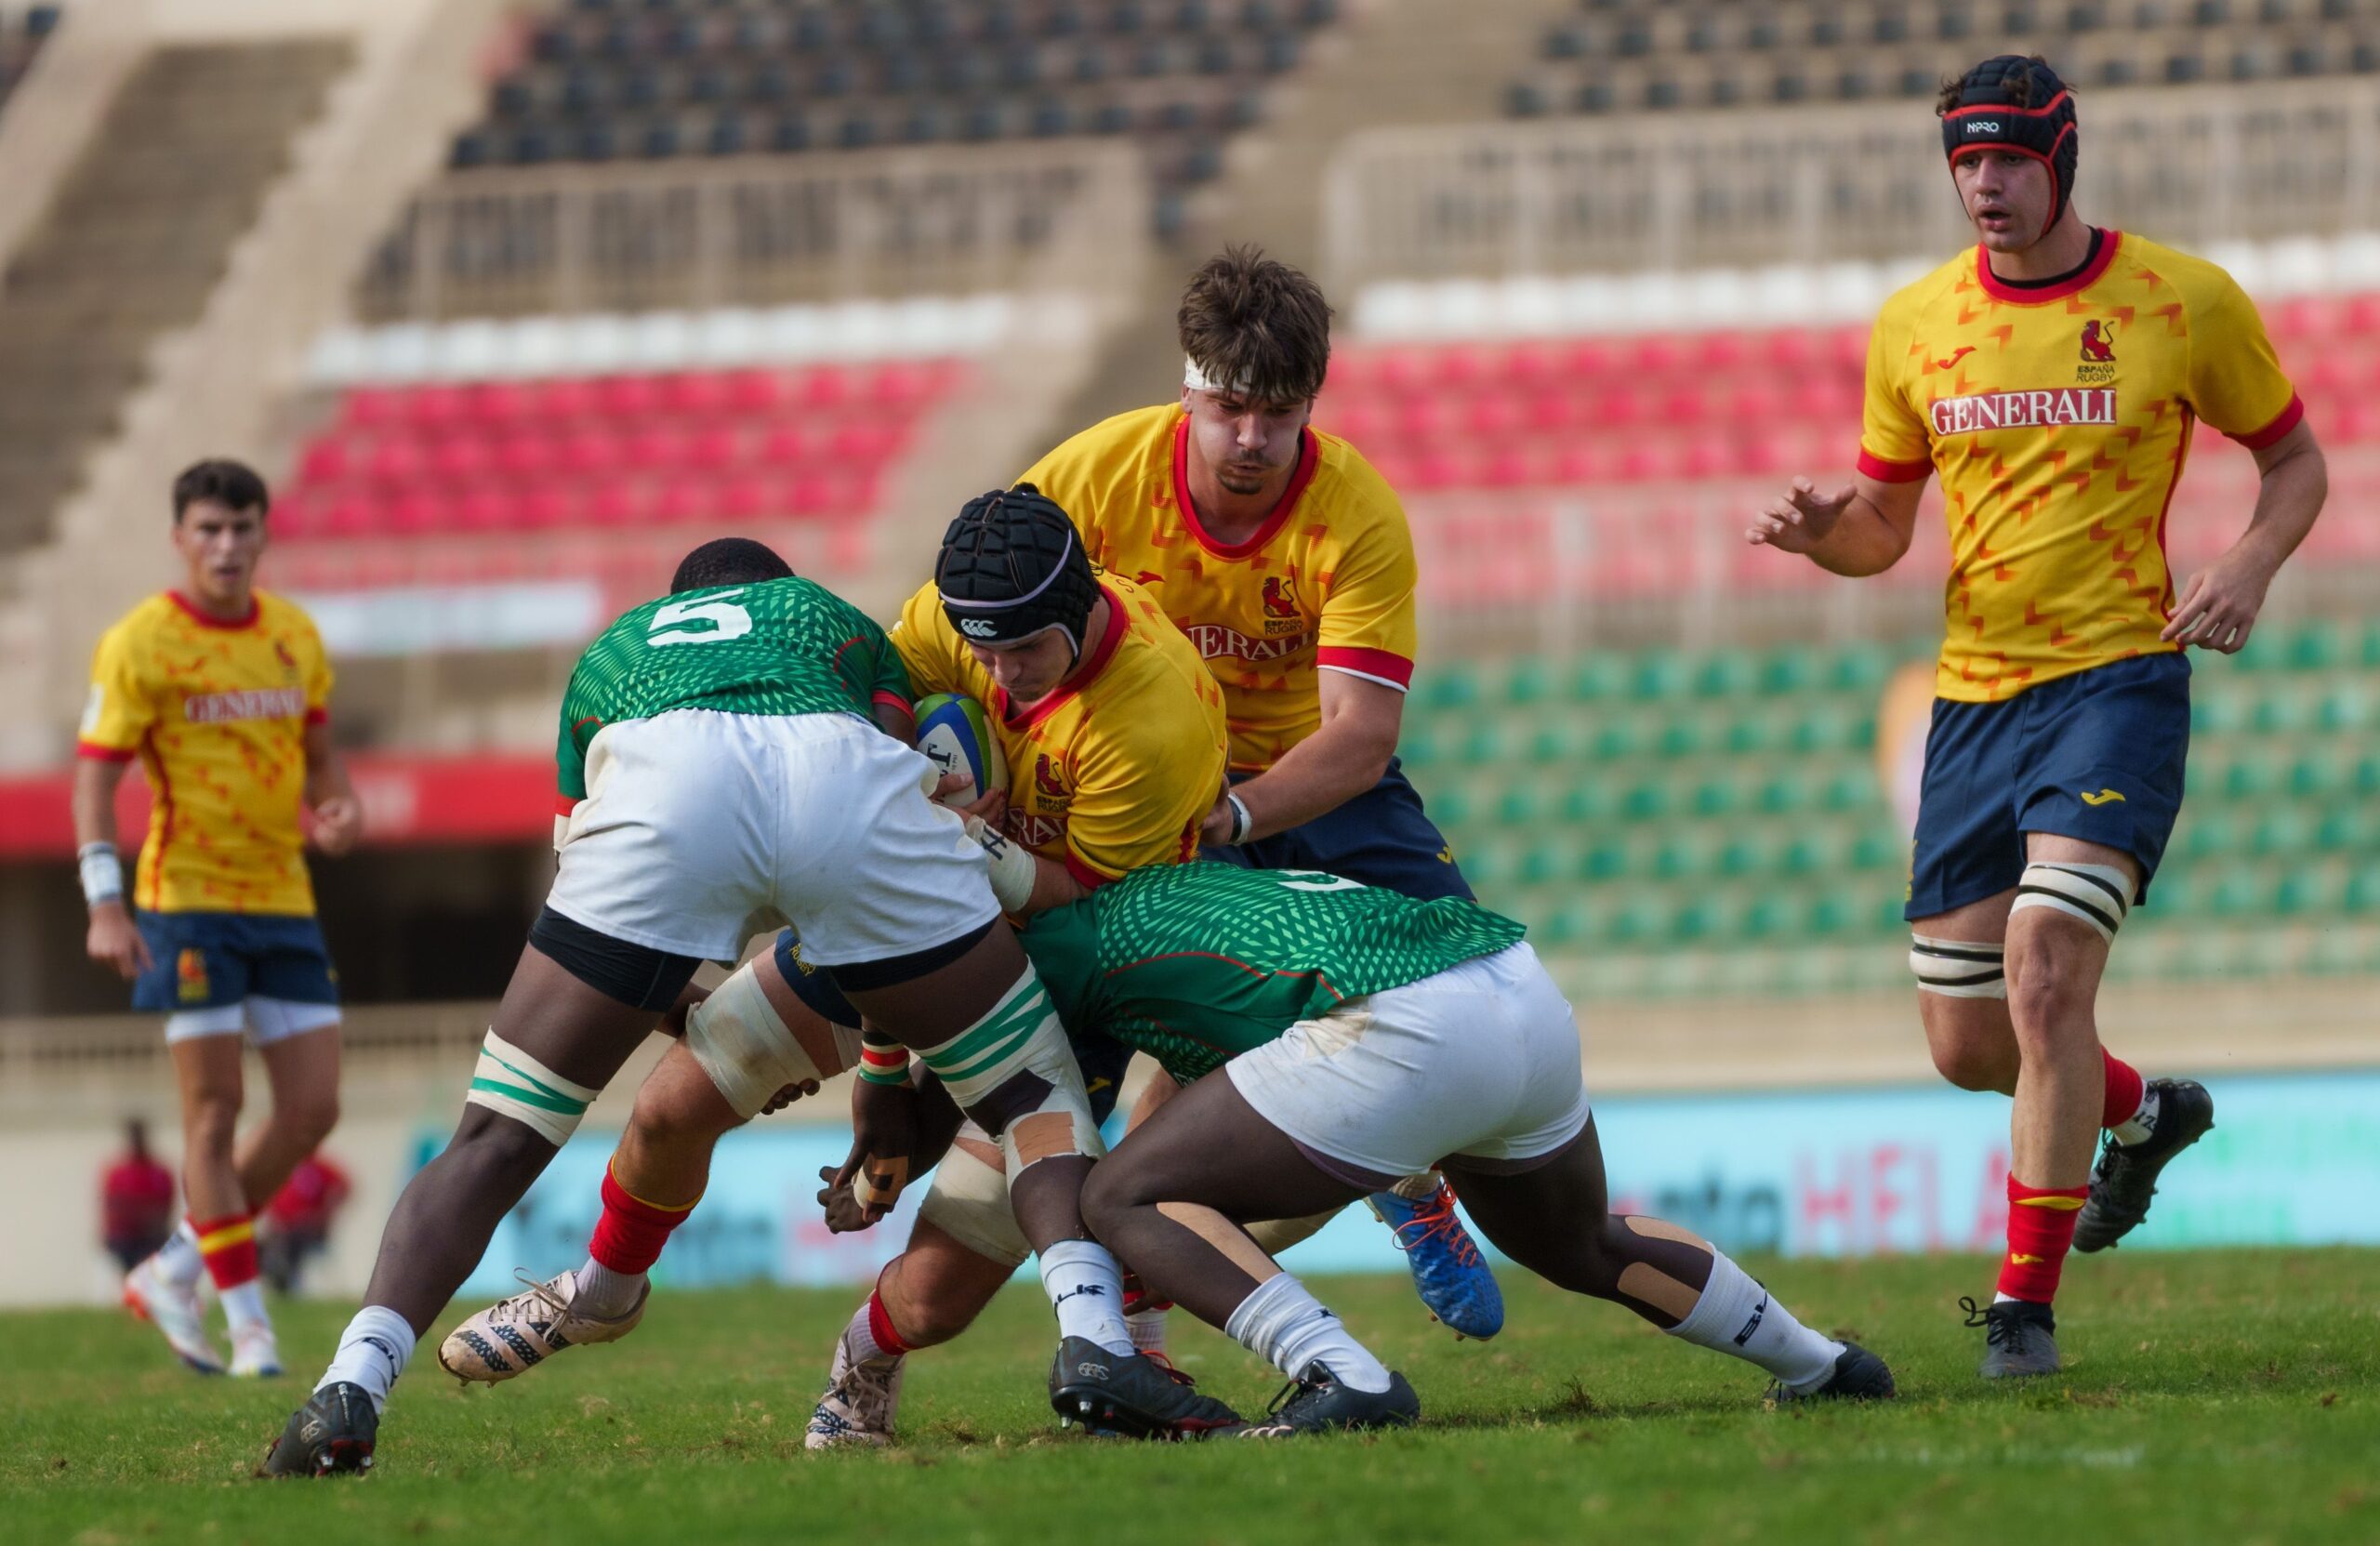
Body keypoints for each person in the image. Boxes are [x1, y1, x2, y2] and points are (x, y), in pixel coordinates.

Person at [261, 537, 1188, 1476]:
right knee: (1034, 1101)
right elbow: (886, 789)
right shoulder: (841, 621)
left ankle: (351, 1384)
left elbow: (585, 852)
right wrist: (880, 1062)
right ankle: (1095, 1343)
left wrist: (668, 998)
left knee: (494, 1135)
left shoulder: (612, 652)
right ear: (777, 593)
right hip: (856, 805)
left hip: (670, 803)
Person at [1748, 55, 2327, 1379]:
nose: (1984, 184)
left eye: (2009, 159)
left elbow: (2295, 459)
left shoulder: (2182, 300)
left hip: (2119, 680)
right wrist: (1822, 532)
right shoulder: (1914, 324)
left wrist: (2243, 565)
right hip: (1973, 701)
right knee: (1969, 1044)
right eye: (1965, 160)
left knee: (2047, 963)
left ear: (2061, 160)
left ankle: (2022, 1308)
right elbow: (1884, 530)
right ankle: (2142, 1109)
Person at [1017, 243, 1500, 1340]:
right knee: (1179, 1049)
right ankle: (1137, 1330)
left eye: (1276, 414)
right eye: (1229, 406)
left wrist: (1233, 815)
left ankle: (1415, 1186)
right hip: (1151, 775)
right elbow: (992, 625)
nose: (1249, 439)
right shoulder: (1086, 481)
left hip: (1306, 779)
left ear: (1309, 406)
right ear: (1188, 386)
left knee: (1464, 975)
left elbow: (1362, 737)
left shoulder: (1356, 511)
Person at [79, 459, 357, 1379]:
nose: (227, 546)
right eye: (209, 529)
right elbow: (96, 774)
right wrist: (104, 901)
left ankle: (174, 1267)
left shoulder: (293, 635)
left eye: (242, 528)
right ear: (180, 538)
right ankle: (252, 1333)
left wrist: (336, 804)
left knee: (313, 1108)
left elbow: (319, 758)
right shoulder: (141, 642)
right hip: (184, 902)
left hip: (281, 898)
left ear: (263, 534)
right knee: (215, 1112)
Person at [258, 1152, 351, 1295]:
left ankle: (290, 1286)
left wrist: (323, 1215)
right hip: (281, 1229)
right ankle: (275, 1285)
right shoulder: (280, 1166)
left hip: (306, 1230)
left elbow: (343, 1187)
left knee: (292, 1245)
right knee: (259, 1248)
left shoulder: (317, 1167)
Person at [99, 1119, 177, 1275]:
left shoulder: (159, 1172)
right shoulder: (117, 1173)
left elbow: (166, 1206)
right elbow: (112, 1205)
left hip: (152, 1235)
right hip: (124, 1236)